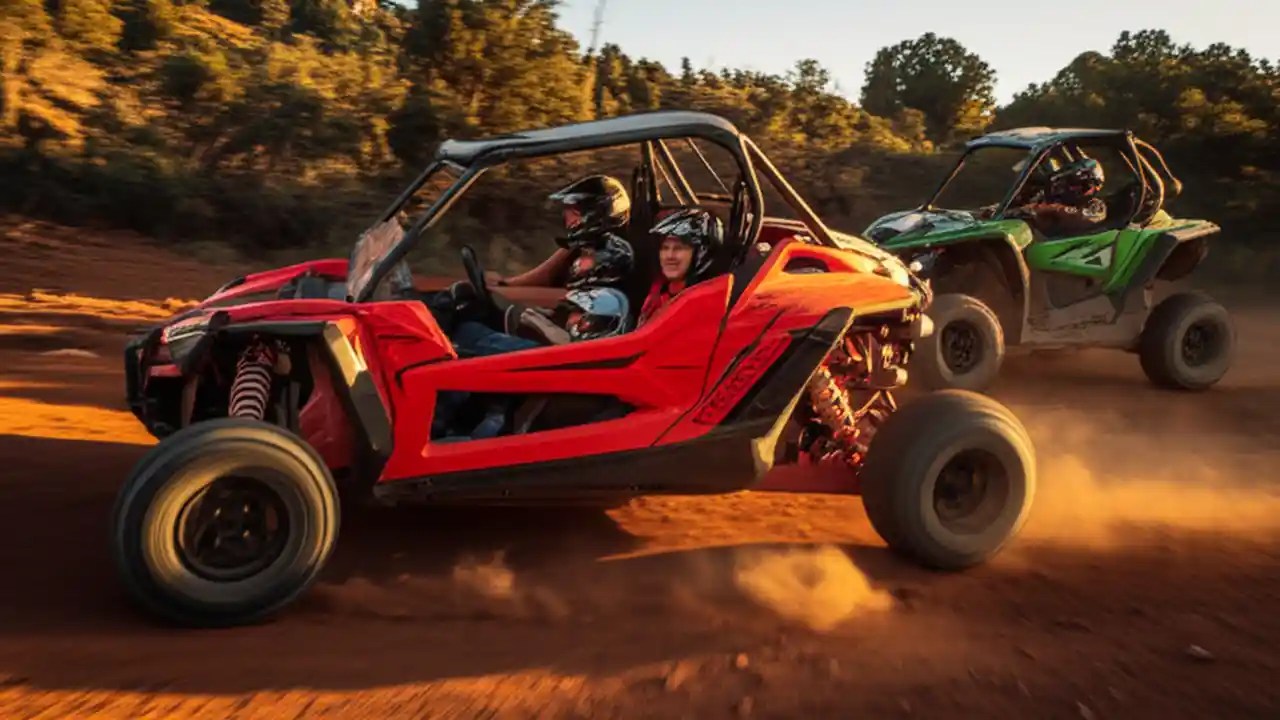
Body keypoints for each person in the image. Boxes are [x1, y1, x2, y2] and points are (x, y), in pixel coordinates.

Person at [432, 286, 634, 441]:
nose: (571, 319)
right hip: (514, 408)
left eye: (580, 315)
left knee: (469, 344)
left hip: (513, 434)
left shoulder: (591, 372)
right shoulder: (576, 357)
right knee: (470, 336)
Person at [484, 174, 632, 289]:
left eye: (574, 212)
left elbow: (571, 296)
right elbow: (544, 275)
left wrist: (503, 290)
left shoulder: (612, 255)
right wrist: (504, 284)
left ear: (594, 214)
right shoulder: (584, 248)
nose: (567, 220)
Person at [636, 207, 725, 327]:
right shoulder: (658, 293)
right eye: (665, 248)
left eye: (679, 248)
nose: (669, 256)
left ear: (701, 252)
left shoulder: (705, 306)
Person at [1006, 156, 1108, 237]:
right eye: (1072, 183)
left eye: (1084, 185)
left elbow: (1081, 218)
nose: (1075, 189)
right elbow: (1018, 209)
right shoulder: (1052, 196)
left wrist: (1049, 209)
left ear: (1095, 187)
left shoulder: (1096, 205)